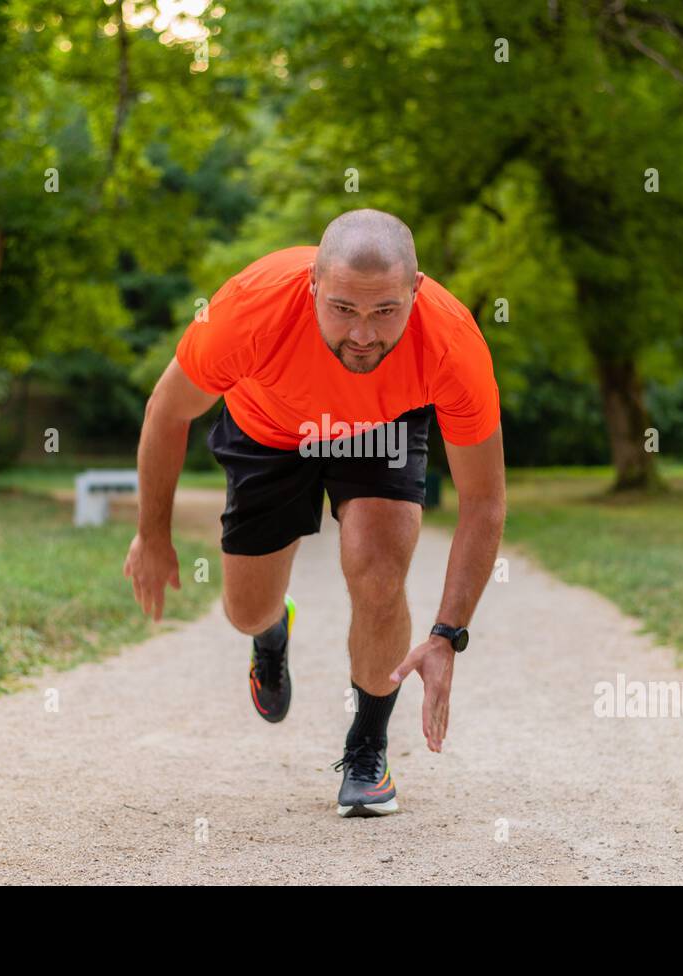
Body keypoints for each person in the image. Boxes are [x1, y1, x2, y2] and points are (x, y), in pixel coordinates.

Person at [124, 208, 506, 816]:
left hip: (382, 429)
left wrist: (447, 634)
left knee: (379, 572)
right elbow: (167, 411)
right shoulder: (249, 309)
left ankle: (367, 750)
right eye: (343, 309)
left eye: (386, 311)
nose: (363, 334)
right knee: (247, 610)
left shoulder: (451, 344)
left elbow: (484, 502)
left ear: (416, 290)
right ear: (312, 288)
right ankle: (272, 634)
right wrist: (152, 535)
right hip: (268, 428)